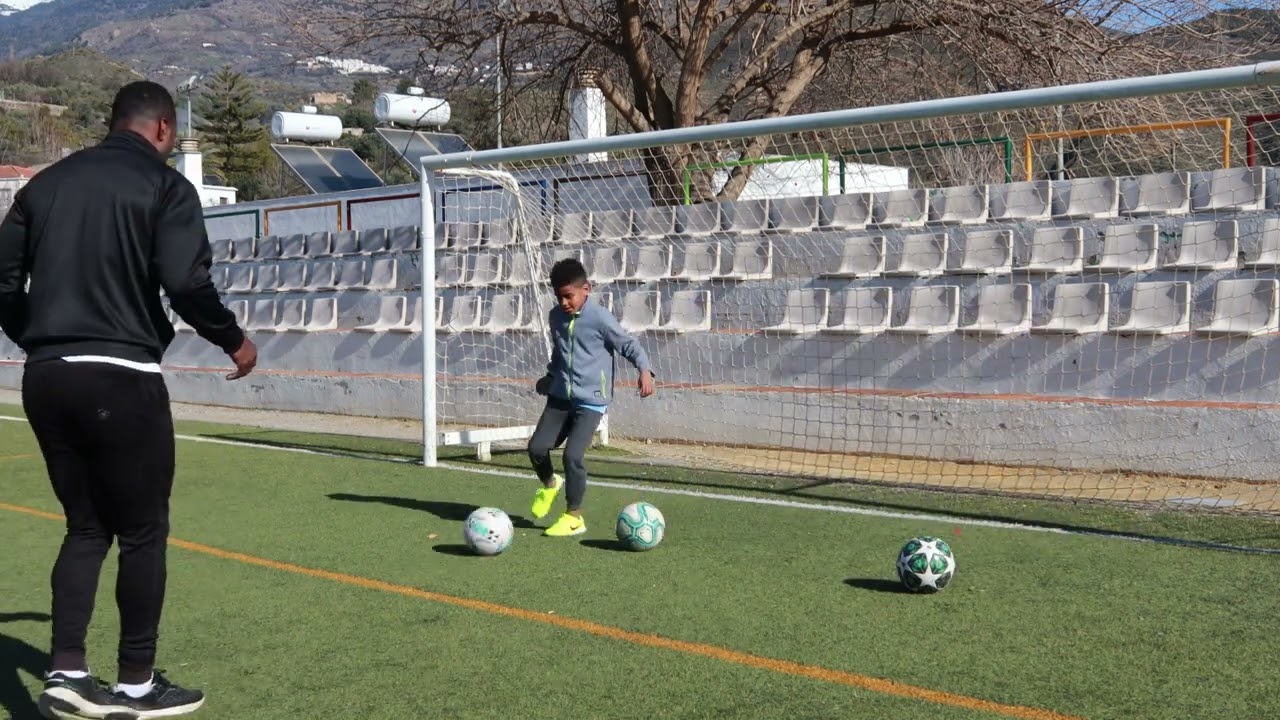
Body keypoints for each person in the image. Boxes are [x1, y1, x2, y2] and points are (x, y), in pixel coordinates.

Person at [0, 80, 257, 718]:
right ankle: (137, 684)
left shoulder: (43, 185)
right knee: (143, 530)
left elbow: (1, 277)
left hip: (46, 373)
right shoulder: (167, 187)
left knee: (86, 525)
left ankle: (66, 671)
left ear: (114, 123)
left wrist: (36, 335)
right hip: (120, 373)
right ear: (164, 130)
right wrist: (233, 339)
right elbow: (184, 279)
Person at [528, 257, 655, 536]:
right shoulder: (555, 317)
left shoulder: (599, 318)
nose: (563, 303)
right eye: (558, 296)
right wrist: (550, 376)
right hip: (560, 396)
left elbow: (628, 345)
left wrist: (645, 370)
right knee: (537, 449)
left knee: (573, 456)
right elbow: (560, 352)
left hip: (591, 400)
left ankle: (574, 517)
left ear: (586, 289)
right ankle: (550, 485)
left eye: (568, 296)